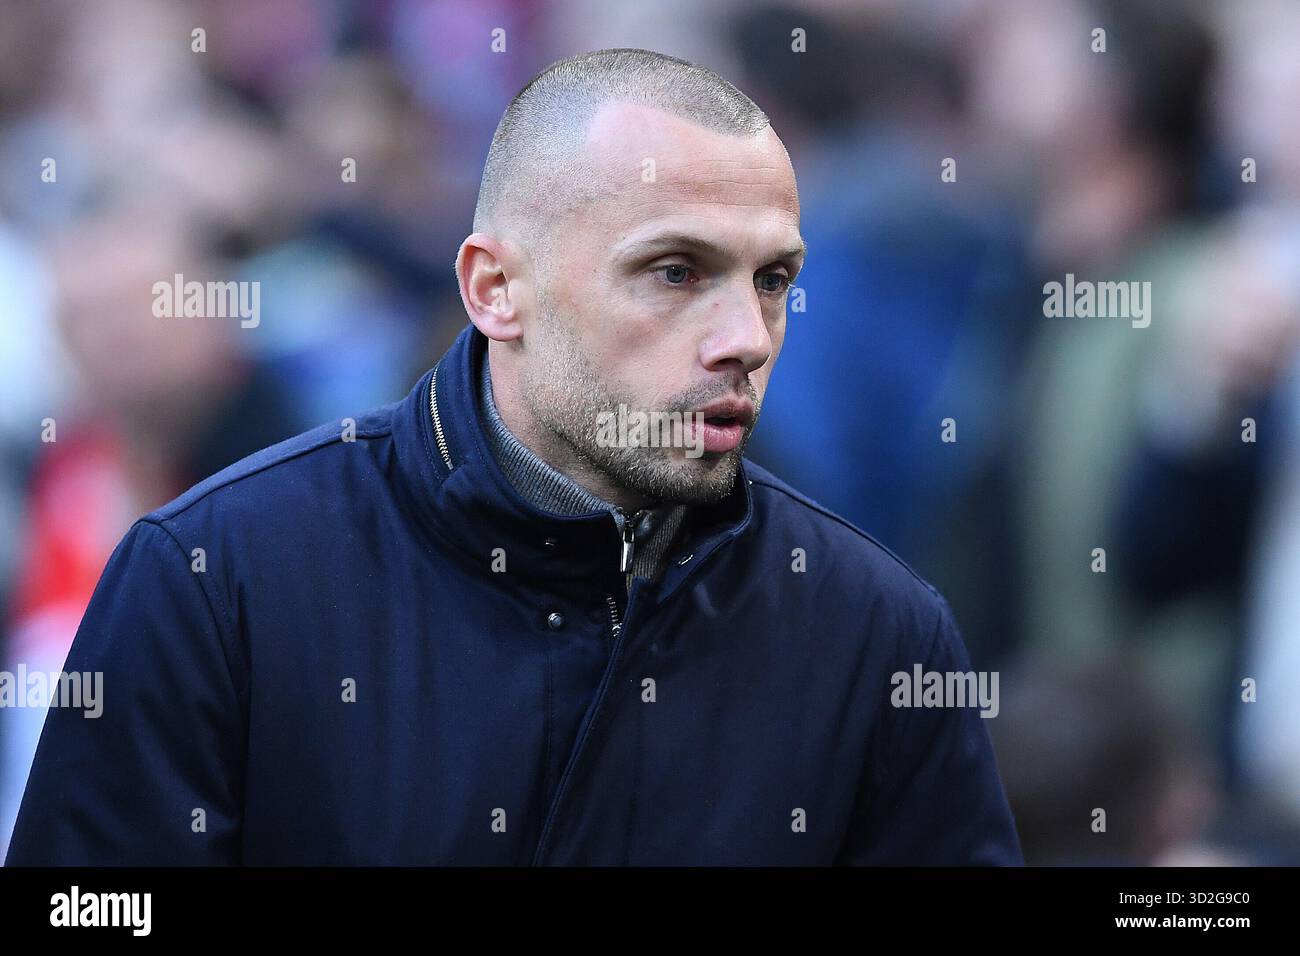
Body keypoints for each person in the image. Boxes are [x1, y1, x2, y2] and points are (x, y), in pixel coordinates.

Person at [6, 49, 1021, 866]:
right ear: (496, 288)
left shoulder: (874, 629)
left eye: (772, 278)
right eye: (675, 270)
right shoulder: (216, 576)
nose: (746, 335)